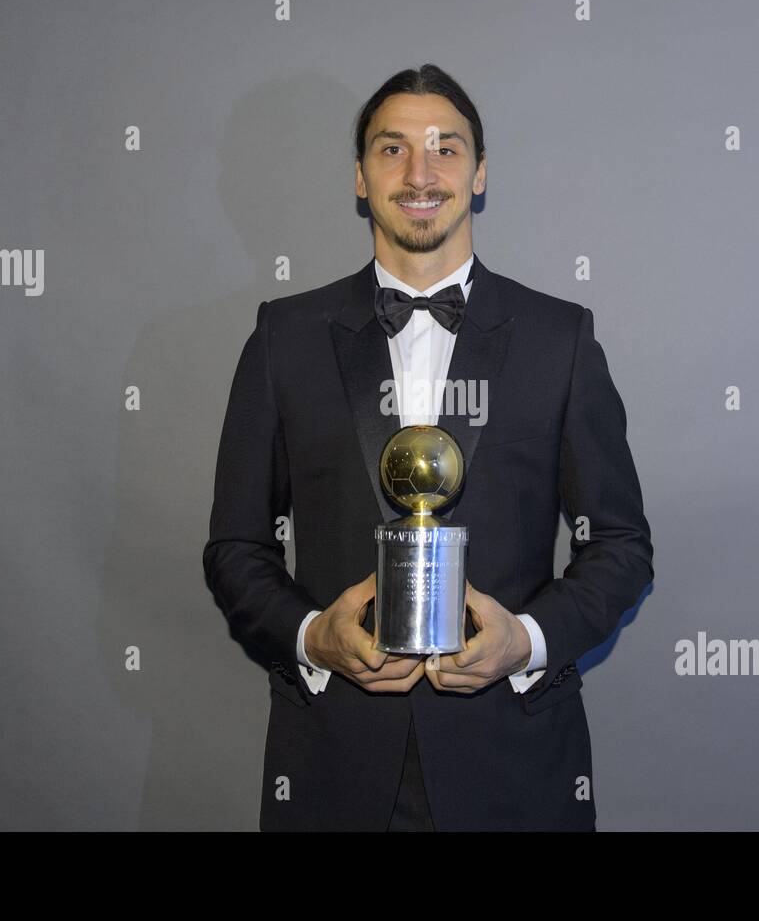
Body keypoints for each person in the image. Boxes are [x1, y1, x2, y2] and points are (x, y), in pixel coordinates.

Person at [203, 64, 653, 831]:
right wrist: (314, 638)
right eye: (393, 149)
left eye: (446, 149)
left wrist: (526, 642)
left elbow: (621, 545)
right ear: (360, 176)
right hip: (334, 765)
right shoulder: (285, 337)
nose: (420, 173)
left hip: (514, 766)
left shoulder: (560, 339)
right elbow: (236, 548)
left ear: (480, 173)